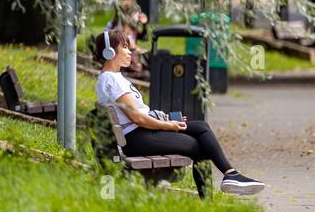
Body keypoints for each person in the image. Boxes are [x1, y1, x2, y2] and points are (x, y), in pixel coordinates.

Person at [92, 26, 265, 196]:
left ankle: (231, 175)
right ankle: (219, 189)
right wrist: (168, 126)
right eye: (124, 47)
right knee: (198, 146)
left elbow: (137, 115)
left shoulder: (112, 77)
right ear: (109, 52)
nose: (130, 52)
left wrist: (165, 119)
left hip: (138, 134)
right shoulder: (112, 80)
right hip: (136, 138)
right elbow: (137, 117)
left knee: (200, 126)